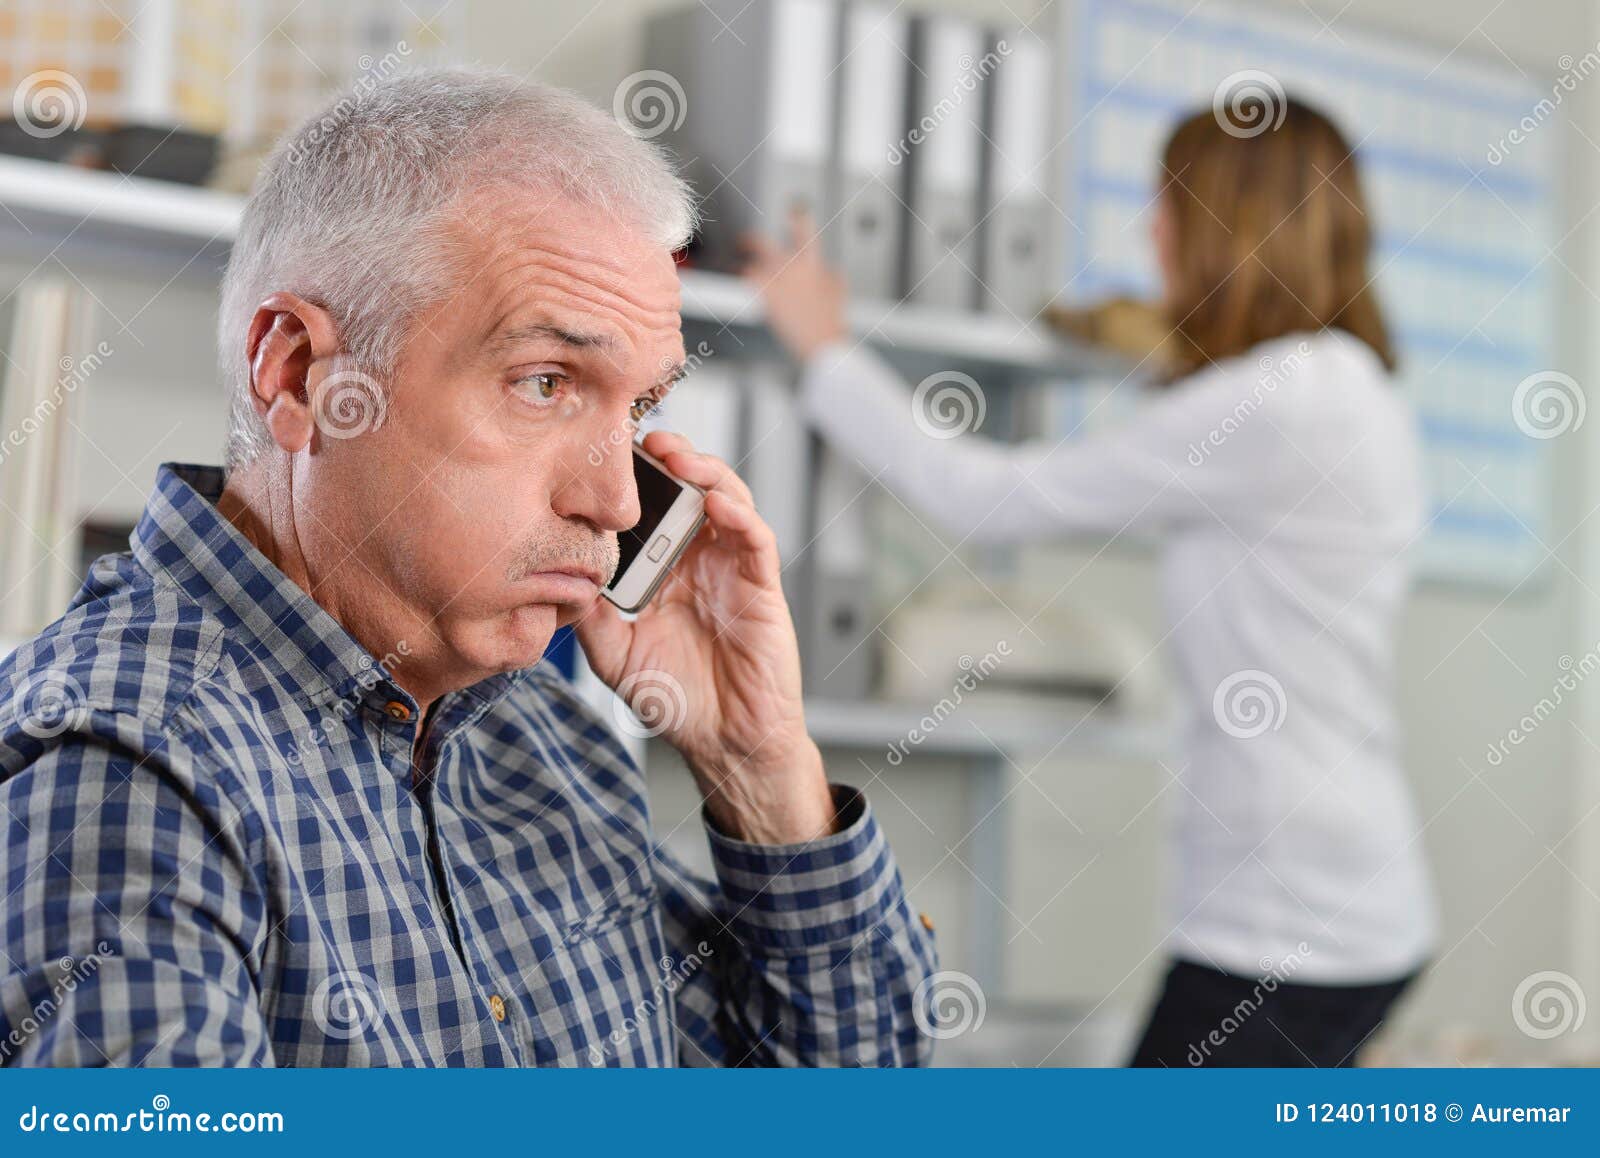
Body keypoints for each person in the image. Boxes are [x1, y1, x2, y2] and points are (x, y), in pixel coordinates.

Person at [0, 68, 935, 1067]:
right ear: (300, 375)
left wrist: (758, 766)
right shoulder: (120, 772)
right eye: (545, 383)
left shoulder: (546, 747)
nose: (617, 501)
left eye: (640, 411)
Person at [744, 98, 1434, 1067]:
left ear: (1229, 223)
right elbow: (1193, 396)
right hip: (1349, 896)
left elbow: (988, 498)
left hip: (1287, 919)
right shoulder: (1347, 386)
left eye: (1170, 206)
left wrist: (824, 346)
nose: (1152, 229)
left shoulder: (1276, 401)